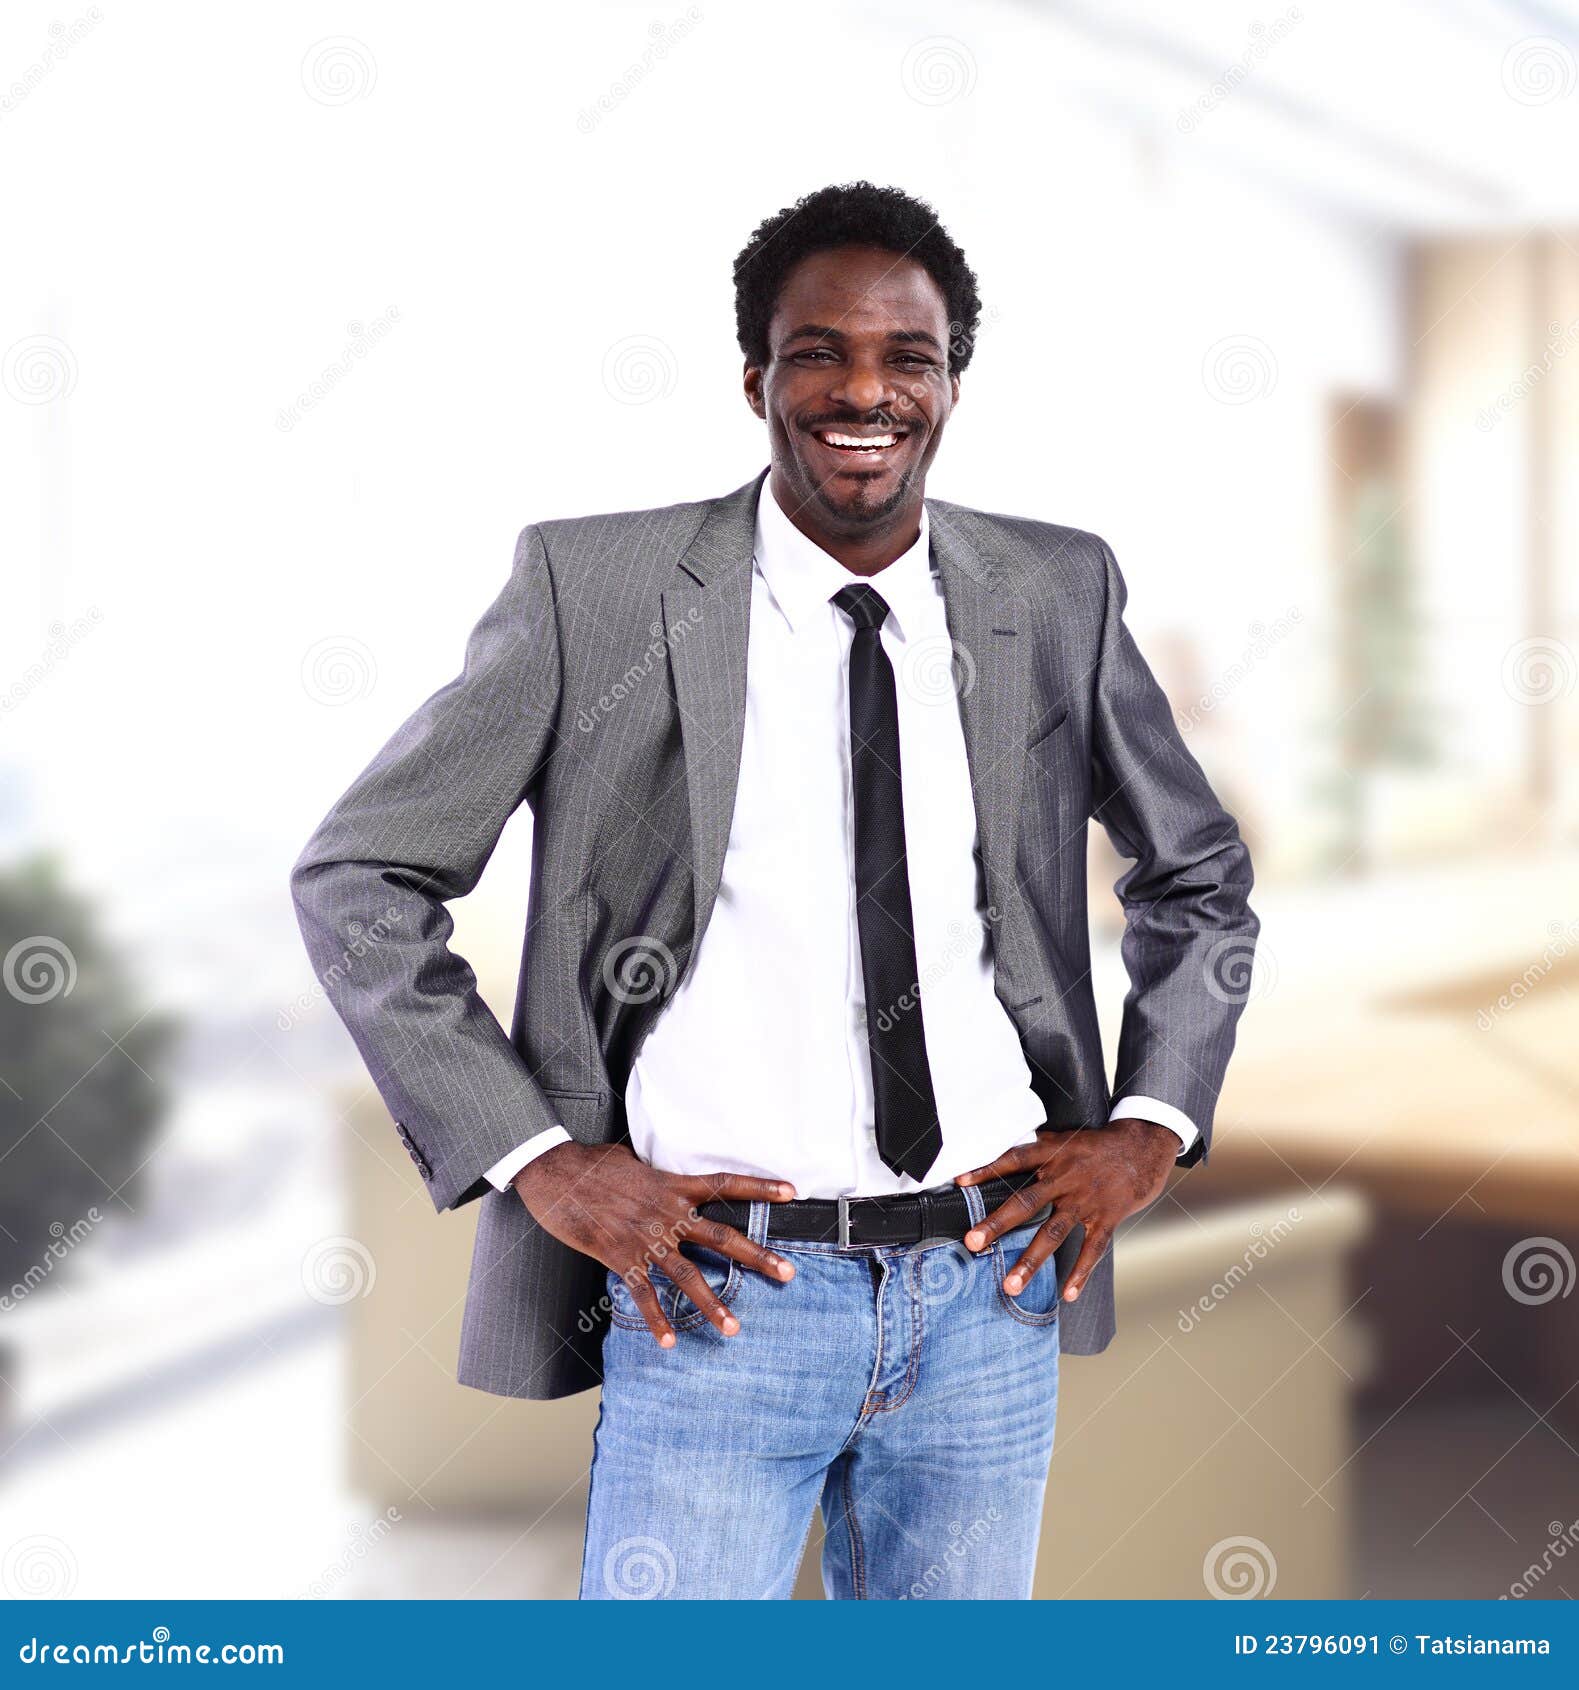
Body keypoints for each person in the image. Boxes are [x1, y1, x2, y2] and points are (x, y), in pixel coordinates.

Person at [290, 181, 1259, 1600]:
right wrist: (540, 1159)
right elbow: (360, 875)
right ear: (757, 375)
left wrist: (1152, 1127)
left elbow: (1199, 875)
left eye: (906, 357)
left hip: (992, 1295)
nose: (864, 389)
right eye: (819, 351)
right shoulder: (597, 590)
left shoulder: (1055, 589)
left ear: (950, 384)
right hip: (720, 1301)